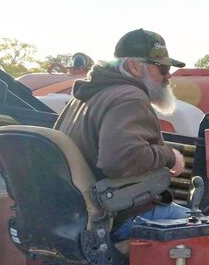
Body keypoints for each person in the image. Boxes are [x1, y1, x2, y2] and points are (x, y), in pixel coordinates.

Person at [54, 28, 189, 240]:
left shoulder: (84, 96)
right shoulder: (129, 98)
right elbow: (121, 159)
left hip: (75, 218)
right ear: (133, 66)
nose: (168, 75)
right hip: (120, 218)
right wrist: (170, 156)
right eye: (162, 67)